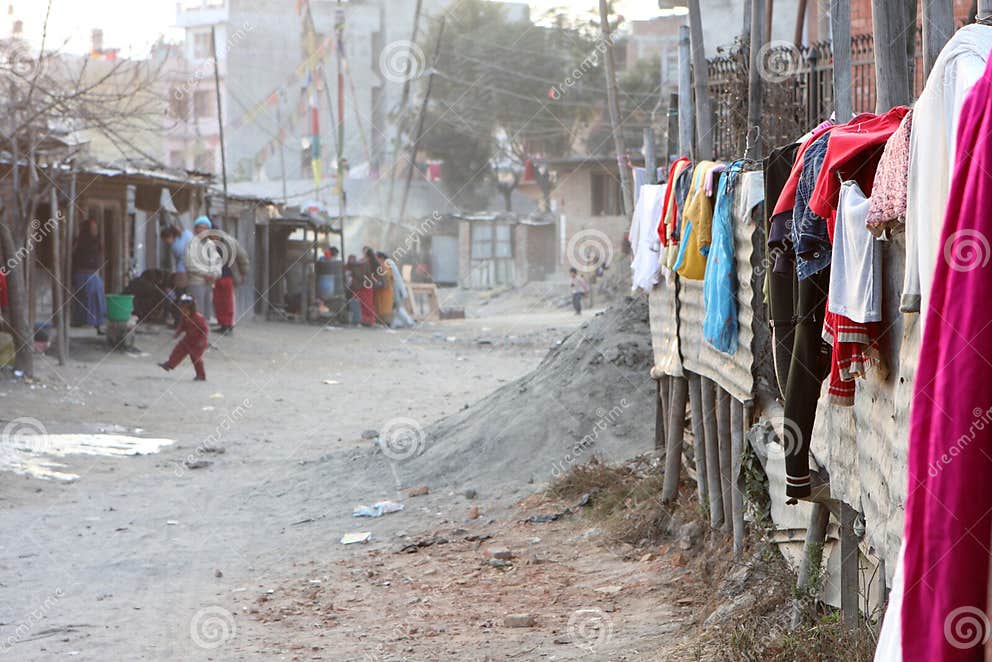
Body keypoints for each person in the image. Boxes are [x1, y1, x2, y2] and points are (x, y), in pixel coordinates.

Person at [159, 294, 208, 381]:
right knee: (178, 350)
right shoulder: (185, 317)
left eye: (185, 309)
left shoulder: (199, 318)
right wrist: (177, 333)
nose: (182, 311)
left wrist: (202, 341)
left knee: (195, 358)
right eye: (181, 309)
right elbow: (182, 327)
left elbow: (204, 331)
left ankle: (201, 375)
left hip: (198, 342)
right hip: (188, 339)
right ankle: (170, 364)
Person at [71, 218, 107, 334]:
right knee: (85, 298)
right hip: (82, 274)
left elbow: (99, 256)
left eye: (96, 228)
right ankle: (83, 322)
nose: (95, 230)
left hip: (93, 274)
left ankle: (98, 324)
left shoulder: (96, 241)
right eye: (92, 228)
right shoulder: (79, 242)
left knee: (98, 299)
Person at [185, 216, 222, 323]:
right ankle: (194, 338)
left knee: (206, 315)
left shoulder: (210, 245)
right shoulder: (191, 244)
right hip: (196, 282)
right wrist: (206, 274)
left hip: (209, 283)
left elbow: (217, 263)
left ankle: (203, 338)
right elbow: (190, 265)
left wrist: (214, 274)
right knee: (196, 313)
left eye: (205, 228)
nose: (202, 231)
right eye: (200, 228)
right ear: (195, 229)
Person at [212, 232, 249, 335]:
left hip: (228, 275)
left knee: (227, 302)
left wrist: (243, 273)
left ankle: (228, 325)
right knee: (218, 302)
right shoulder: (210, 244)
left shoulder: (229, 242)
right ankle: (223, 324)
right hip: (217, 276)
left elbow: (242, 257)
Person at [387, 257, 415, 328]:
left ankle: (408, 321)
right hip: (399, 292)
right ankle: (398, 323)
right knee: (397, 308)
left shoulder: (391, 269)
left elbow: (395, 285)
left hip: (398, 292)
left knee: (398, 308)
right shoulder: (394, 270)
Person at [357, 247, 377, 326]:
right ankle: (369, 320)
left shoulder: (365, 263)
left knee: (365, 303)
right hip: (369, 286)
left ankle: (367, 320)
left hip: (364, 286)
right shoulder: (373, 262)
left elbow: (362, 275)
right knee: (368, 303)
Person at [374, 251, 394, 326]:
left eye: (377, 257)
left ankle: (386, 322)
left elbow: (387, 280)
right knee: (381, 307)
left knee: (385, 308)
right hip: (381, 292)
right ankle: (382, 322)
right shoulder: (382, 266)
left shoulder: (384, 266)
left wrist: (379, 284)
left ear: (381, 258)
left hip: (385, 292)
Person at [345, 254, 362, 325]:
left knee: (354, 304)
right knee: (347, 304)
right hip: (346, 289)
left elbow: (359, 277)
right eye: (350, 259)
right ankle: (348, 318)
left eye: (353, 259)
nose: (351, 261)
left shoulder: (357, 268)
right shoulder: (345, 267)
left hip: (354, 289)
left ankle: (355, 319)